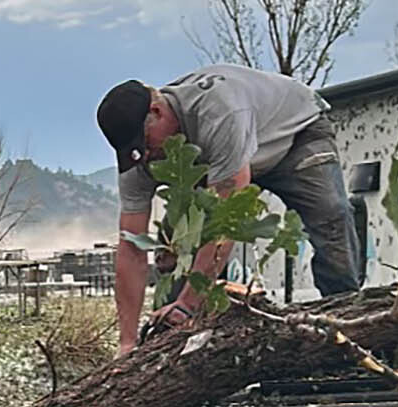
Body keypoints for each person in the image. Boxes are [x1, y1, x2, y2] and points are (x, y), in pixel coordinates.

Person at [97, 65, 364, 353]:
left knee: (331, 215)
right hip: (222, 165)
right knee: (178, 244)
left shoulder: (218, 111)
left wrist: (188, 305)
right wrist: (127, 342)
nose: (146, 157)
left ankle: (347, 325)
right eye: (137, 152)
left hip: (293, 136)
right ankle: (172, 344)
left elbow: (227, 220)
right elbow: (132, 247)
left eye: (146, 145)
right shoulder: (139, 161)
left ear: (158, 112)